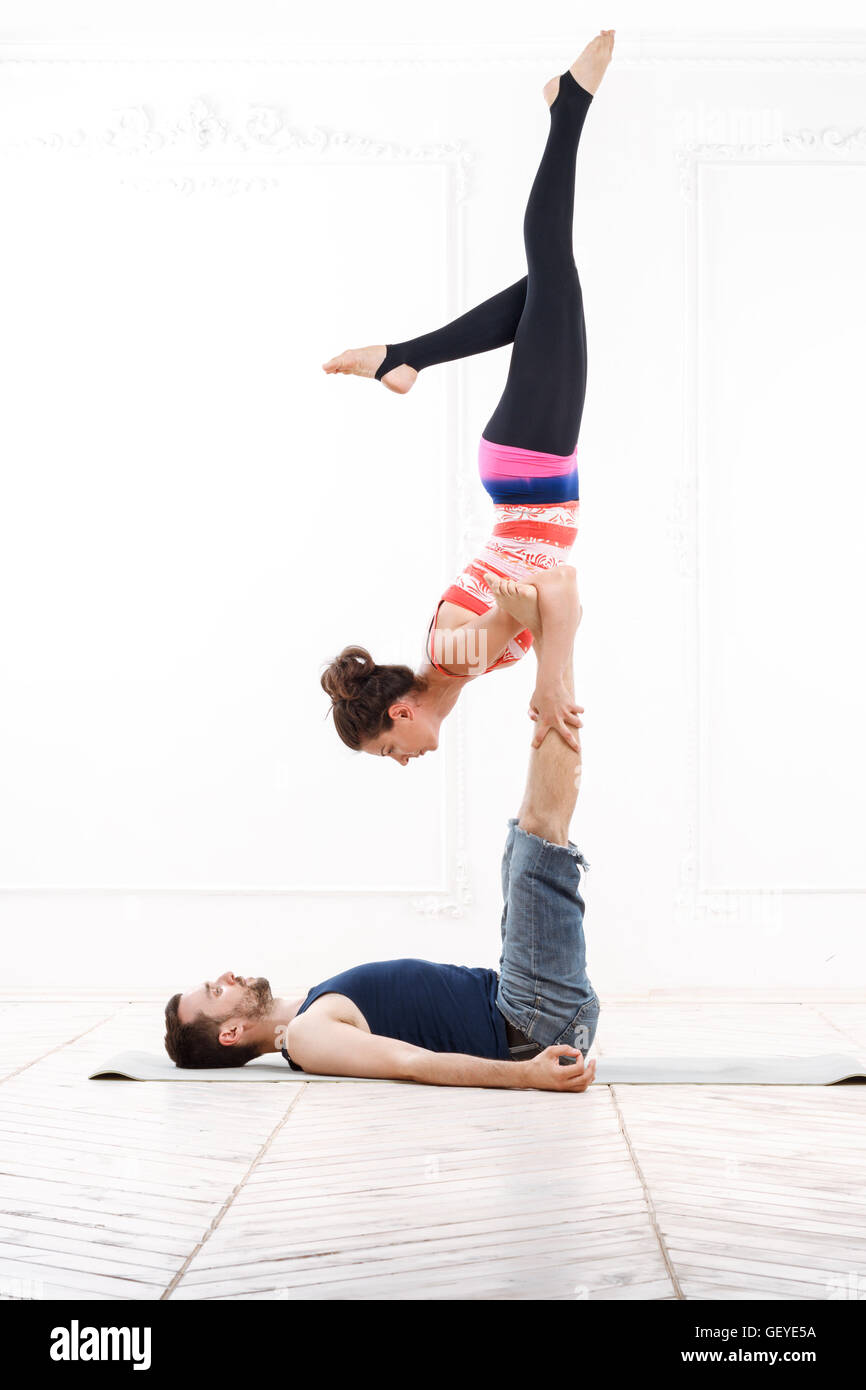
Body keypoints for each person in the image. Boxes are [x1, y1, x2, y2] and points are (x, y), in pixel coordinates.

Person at [164, 568, 599, 1092]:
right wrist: (526, 1076)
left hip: (515, 1000)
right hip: (528, 1025)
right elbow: (412, 1064)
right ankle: (555, 656)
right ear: (230, 1033)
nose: (227, 976)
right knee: (538, 836)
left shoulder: (312, 1006)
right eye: (216, 992)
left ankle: (552, 639)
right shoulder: (305, 1037)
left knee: (525, 845)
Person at [319, 31, 614, 765]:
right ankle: (403, 356)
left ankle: (568, 106)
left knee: (552, 267)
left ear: (400, 711)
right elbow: (547, 596)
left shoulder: (454, 653)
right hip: (530, 475)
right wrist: (548, 672)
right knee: (546, 288)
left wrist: (550, 686)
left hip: (532, 474)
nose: (404, 759)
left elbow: (561, 588)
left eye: (391, 748)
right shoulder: (454, 665)